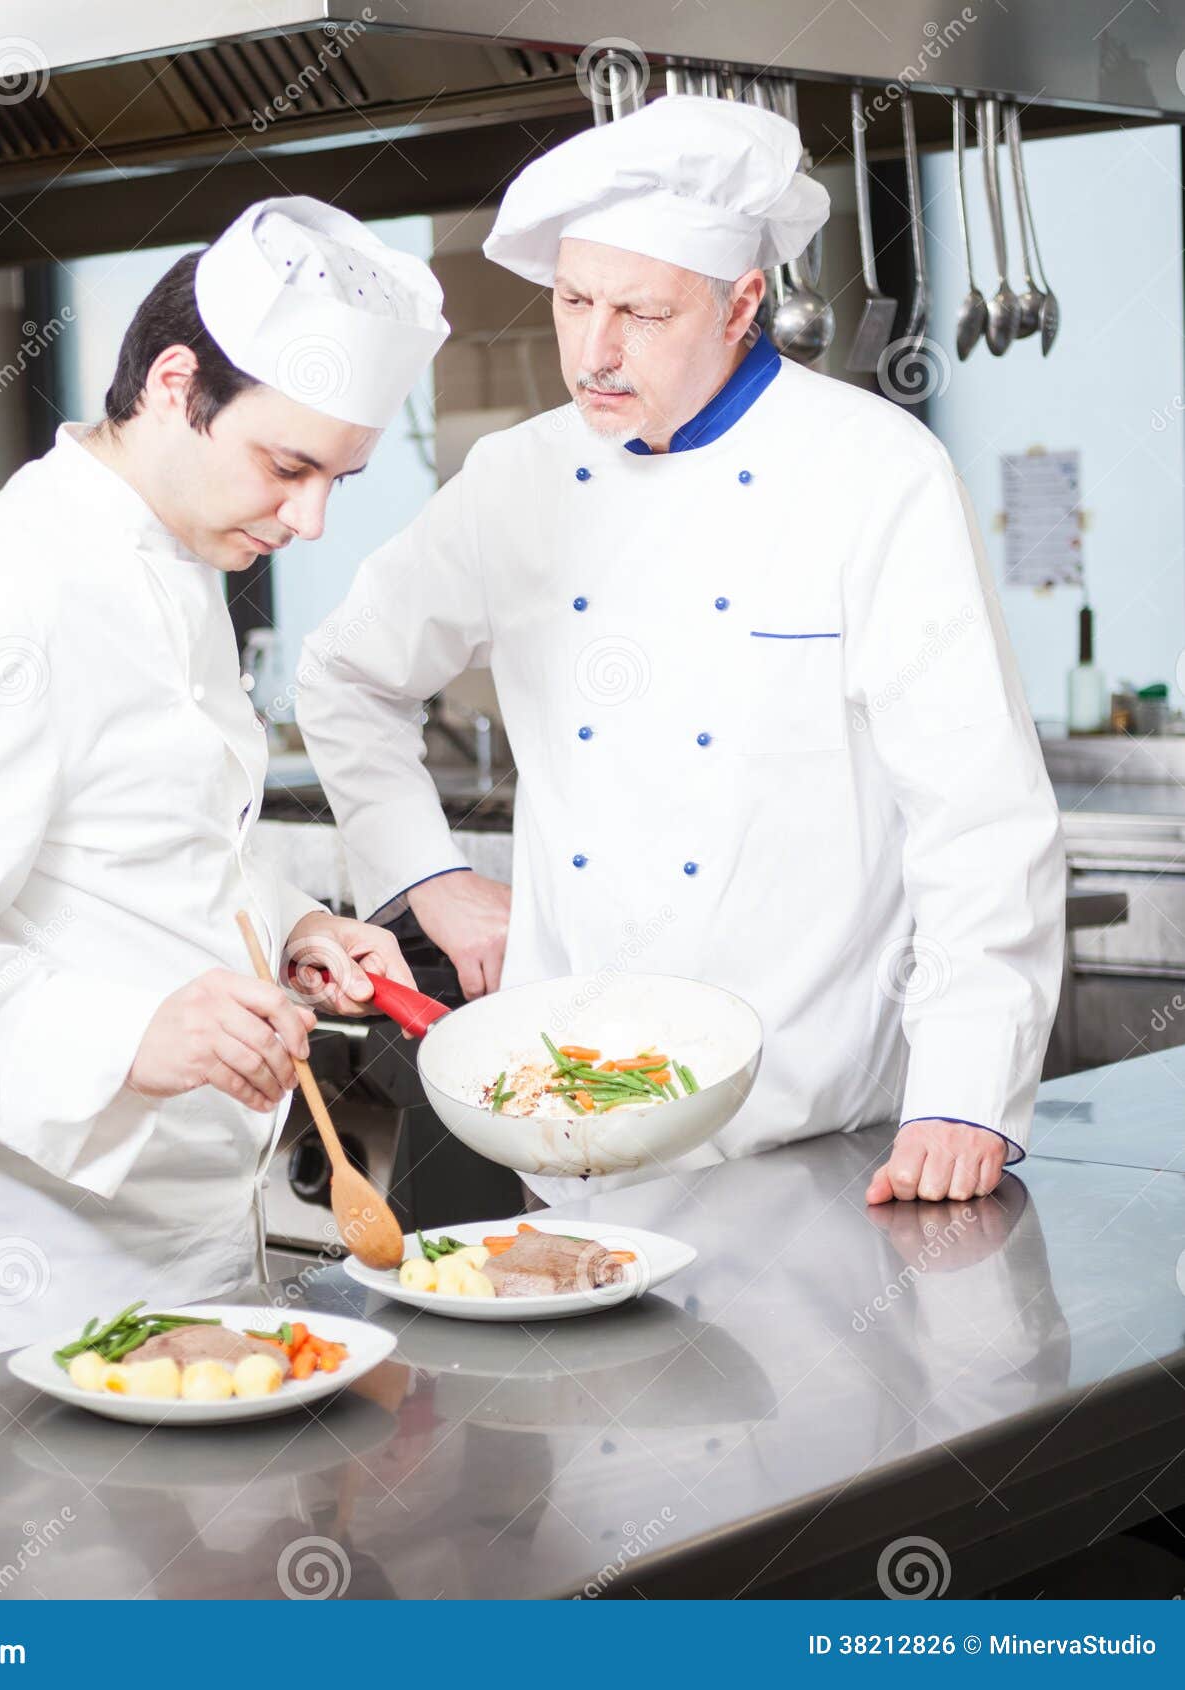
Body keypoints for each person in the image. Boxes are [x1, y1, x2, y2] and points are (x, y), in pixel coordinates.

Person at [295, 98, 1066, 1208]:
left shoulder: (873, 474)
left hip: (815, 1138)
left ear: (741, 301)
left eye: (642, 313)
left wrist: (963, 1092)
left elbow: (976, 812)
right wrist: (429, 876)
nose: (594, 351)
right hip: (576, 1137)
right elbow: (346, 672)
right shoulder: (516, 480)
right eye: (572, 301)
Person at [0, 197, 449, 1367]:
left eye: (338, 481)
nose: (307, 518)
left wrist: (292, 923)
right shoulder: (2, 595)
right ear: (171, 385)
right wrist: (130, 1035)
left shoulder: (183, 552)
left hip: (201, 1231)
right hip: (52, 1271)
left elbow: (167, 835)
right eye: (287, 465)